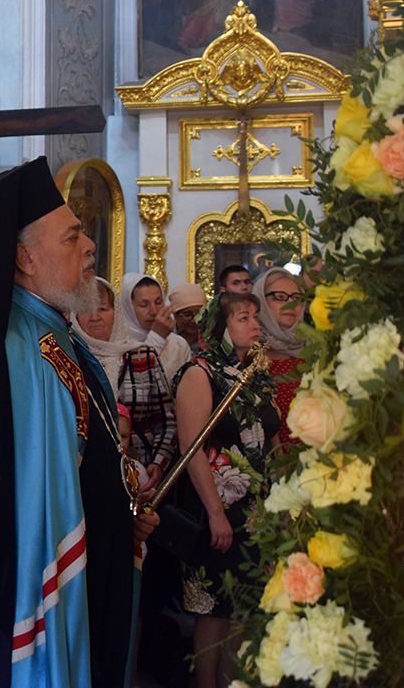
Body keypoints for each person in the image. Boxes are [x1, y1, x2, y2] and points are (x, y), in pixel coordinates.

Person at [0, 157, 158, 688]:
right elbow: (17, 504)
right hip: (35, 589)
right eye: (72, 237)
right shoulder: (14, 351)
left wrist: (117, 508)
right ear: (25, 258)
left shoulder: (52, 332)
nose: (89, 248)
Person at [171, 292, 279, 688]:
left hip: (257, 509)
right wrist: (216, 513)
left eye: (255, 317)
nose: (254, 325)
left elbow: (270, 438)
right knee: (214, 607)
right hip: (216, 506)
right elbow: (191, 447)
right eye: (242, 318)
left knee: (245, 606)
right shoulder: (199, 373)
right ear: (219, 329)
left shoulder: (256, 375)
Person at [72, 277, 176, 490]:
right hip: (84, 479)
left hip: (141, 476)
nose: (94, 317)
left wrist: (159, 464)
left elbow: (167, 422)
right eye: (86, 309)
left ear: (116, 311)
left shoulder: (142, 356)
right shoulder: (71, 358)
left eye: (102, 308)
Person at [253, 267, 307, 445]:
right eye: (280, 297)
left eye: (296, 299)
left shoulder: (315, 350)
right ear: (261, 301)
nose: (290, 304)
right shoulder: (249, 355)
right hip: (269, 462)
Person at [120, 272, 192, 380]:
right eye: (144, 305)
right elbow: (132, 384)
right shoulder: (117, 343)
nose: (154, 311)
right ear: (128, 306)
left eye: (158, 303)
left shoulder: (179, 344)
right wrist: (157, 337)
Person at [169, 281, 209, 348]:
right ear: (175, 315)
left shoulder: (211, 340)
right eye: (187, 314)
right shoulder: (165, 339)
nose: (194, 320)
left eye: (199, 314)